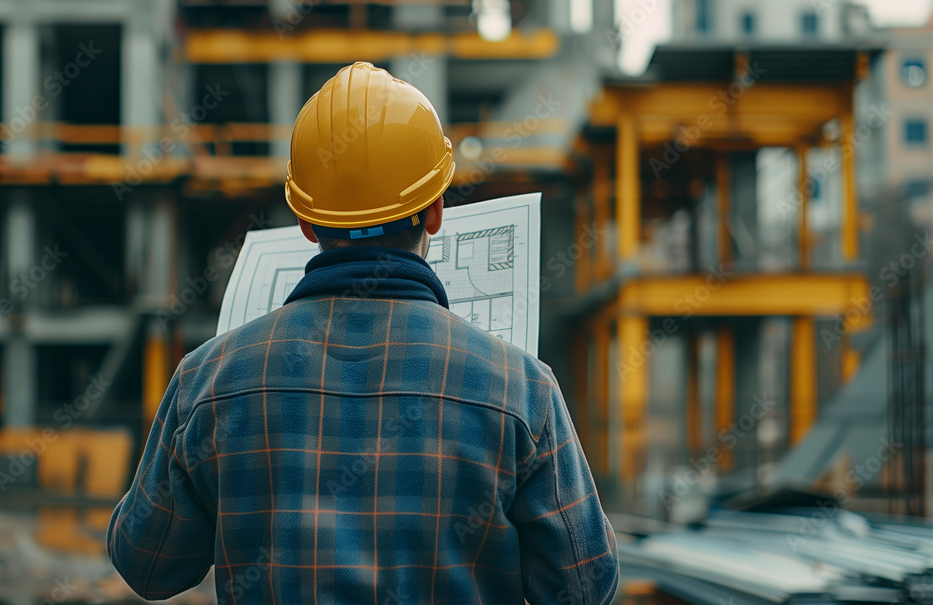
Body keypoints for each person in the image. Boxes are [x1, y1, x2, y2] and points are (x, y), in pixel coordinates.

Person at [107, 61, 618, 604]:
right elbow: (585, 586)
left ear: (304, 222)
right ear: (437, 210)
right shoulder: (521, 388)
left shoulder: (207, 380)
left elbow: (147, 565)